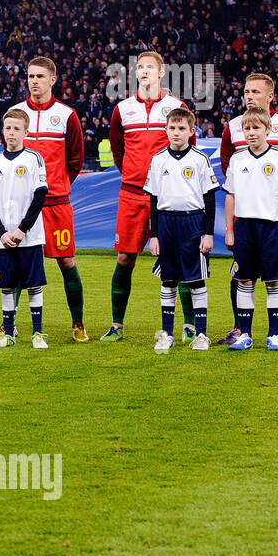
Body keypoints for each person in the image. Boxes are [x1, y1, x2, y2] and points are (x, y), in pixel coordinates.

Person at [213, 73, 278, 346]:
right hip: (246, 216)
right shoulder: (233, 126)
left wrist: (277, 194)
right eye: (246, 91)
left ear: (270, 96)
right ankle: (239, 329)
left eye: (255, 92)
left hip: (274, 215)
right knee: (240, 272)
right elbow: (227, 166)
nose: (249, 96)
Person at [102, 52, 191, 341]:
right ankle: (117, 325)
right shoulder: (123, 109)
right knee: (125, 258)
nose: (143, 72)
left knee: (177, 259)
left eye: (150, 68)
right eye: (139, 67)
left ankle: (189, 325)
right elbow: (118, 149)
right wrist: (132, 173)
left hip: (168, 197)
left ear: (162, 73)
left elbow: (189, 148)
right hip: (131, 194)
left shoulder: (177, 106)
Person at [16, 57, 86, 341]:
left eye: (40, 76)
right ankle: (9, 325)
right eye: (31, 76)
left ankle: (78, 324)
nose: (34, 81)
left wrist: (56, 184)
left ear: (52, 79)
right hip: (22, 204)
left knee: (66, 262)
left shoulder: (66, 115)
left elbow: (76, 160)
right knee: (18, 263)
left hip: (56, 203)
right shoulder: (16, 112)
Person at [222, 108, 278, 352]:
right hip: (244, 226)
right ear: (242, 131)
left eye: (256, 128)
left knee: (274, 280)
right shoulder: (237, 159)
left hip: (271, 227)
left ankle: (273, 335)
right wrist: (229, 230)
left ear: (268, 130)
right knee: (245, 280)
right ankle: (245, 335)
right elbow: (230, 196)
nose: (251, 133)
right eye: (247, 128)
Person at [144, 108, 217, 353]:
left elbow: (209, 199)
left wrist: (208, 233)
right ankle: (166, 335)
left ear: (191, 131)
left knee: (196, 280)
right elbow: (152, 200)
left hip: (192, 223)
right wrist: (153, 235)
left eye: (182, 128)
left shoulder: (199, 159)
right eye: (172, 128)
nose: (176, 133)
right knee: (168, 280)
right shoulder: (158, 159)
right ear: (166, 130)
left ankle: (202, 334)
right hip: (166, 224)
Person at [0, 108, 49, 349]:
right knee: (7, 285)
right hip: (4, 238)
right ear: (2, 130)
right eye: (7, 128)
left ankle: (37, 334)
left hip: (28, 237)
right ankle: (8, 334)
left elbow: (40, 196)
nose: (11, 132)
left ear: (26, 132)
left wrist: (22, 230)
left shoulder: (33, 159)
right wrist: (1, 232)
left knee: (33, 284)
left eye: (16, 128)